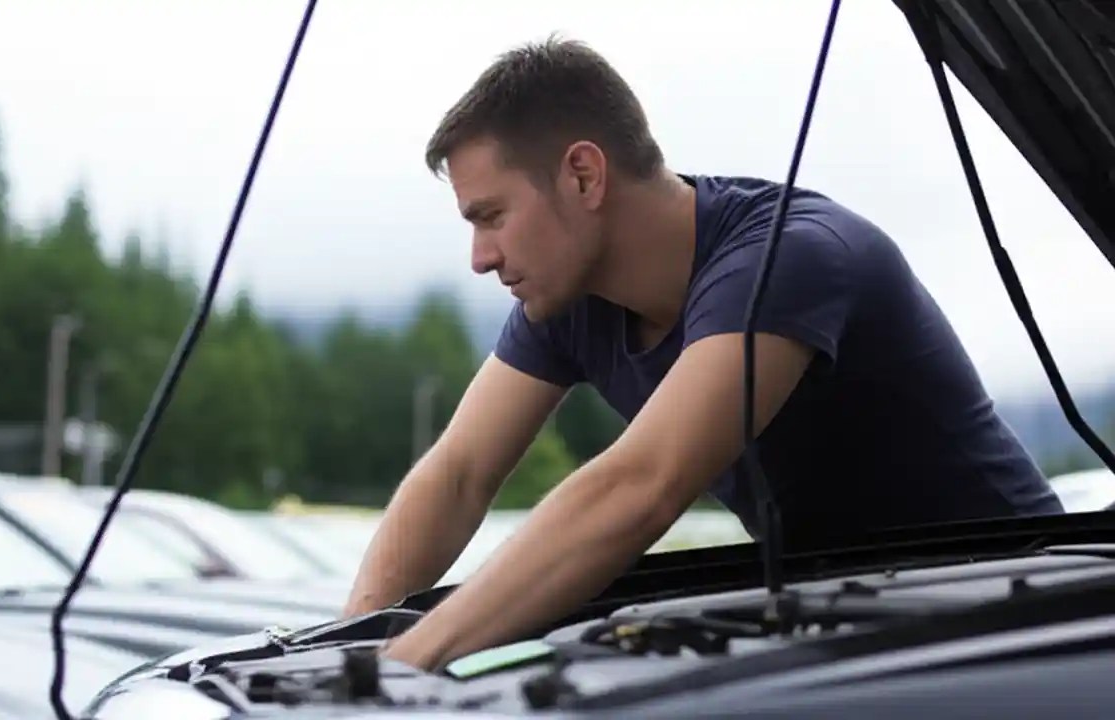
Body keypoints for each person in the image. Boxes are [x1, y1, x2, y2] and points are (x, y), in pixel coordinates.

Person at [346, 36, 1063, 672]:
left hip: (1029, 613)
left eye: (491, 216)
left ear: (584, 176)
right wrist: (348, 648)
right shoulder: (568, 299)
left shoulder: (790, 255)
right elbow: (459, 475)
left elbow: (642, 485)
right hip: (856, 619)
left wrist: (403, 665)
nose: (480, 257)